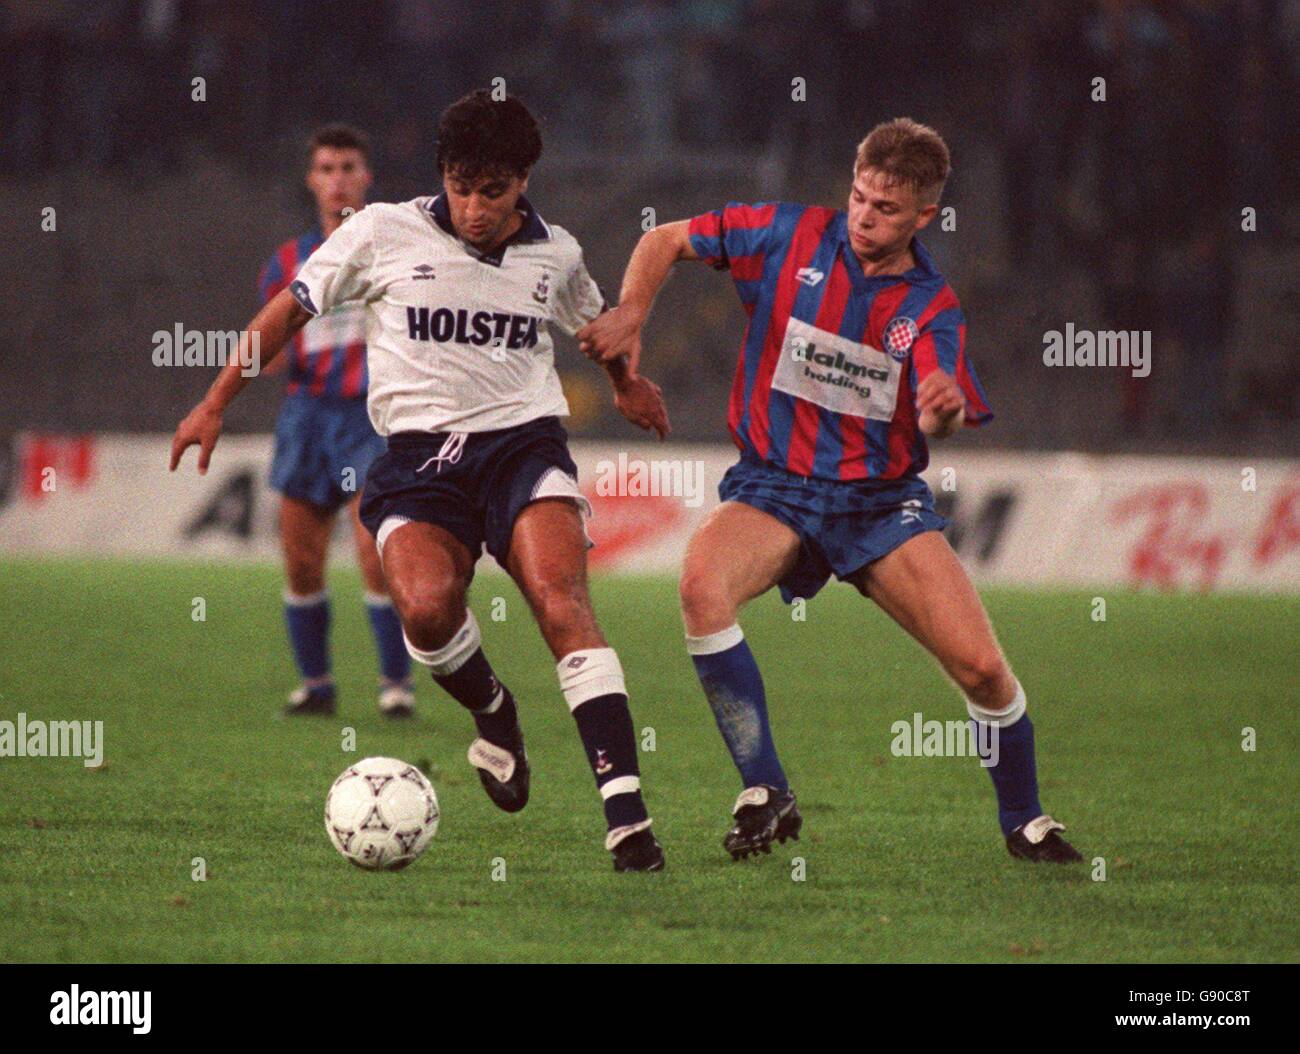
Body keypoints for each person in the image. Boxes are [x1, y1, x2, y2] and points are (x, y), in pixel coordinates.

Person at [172, 91, 671, 872]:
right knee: (428, 612)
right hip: (415, 457)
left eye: (494, 191)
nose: (474, 208)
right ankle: (495, 713)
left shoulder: (558, 253)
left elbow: (594, 324)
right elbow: (288, 311)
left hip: (521, 447)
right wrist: (213, 401)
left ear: (524, 181)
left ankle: (628, 818)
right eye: (461, 187)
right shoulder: (380, 231)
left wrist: (625, 382)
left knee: (563, 601)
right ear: (443, 173)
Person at [579, 118, 1082, 864]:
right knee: (699, 586)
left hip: (879, 506)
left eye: (885, 207)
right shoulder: (785, 236)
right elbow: (666, 240)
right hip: (776, 487)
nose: (864, 214)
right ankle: (765, 788)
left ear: (924, 217)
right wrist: (631, 314)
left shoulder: (930, 310)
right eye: (858, 195)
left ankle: (1026, 822)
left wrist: (939, 411)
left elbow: (939, 414)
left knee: (980, 667)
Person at [257, 124, 413, 719]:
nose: (338, 179)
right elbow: (272, 348)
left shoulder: (395, 248)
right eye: (326, 168)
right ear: (311, 180)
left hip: (372, 417)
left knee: (375, 551)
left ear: (367, 177)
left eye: (348, 167)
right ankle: (316, 685)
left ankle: (395, 685)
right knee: (300, 557)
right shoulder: (289, 261)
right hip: (307, 415)